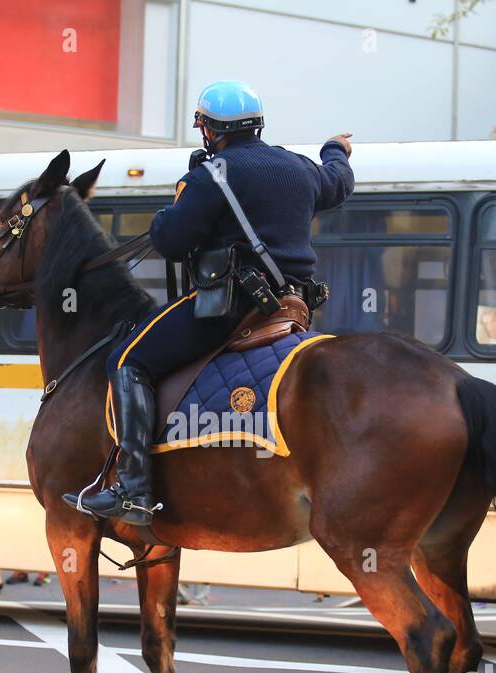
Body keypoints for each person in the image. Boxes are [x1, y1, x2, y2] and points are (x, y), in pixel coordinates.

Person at [64, 80, 355, 524]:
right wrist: (335, 149)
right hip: (294, 306)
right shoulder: (299, 167)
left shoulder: (211, 174)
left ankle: (134, 490)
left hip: (233, 308)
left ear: (209, 130)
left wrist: (180, 197)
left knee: (128, 361)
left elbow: (172, 241)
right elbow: (338, 183)